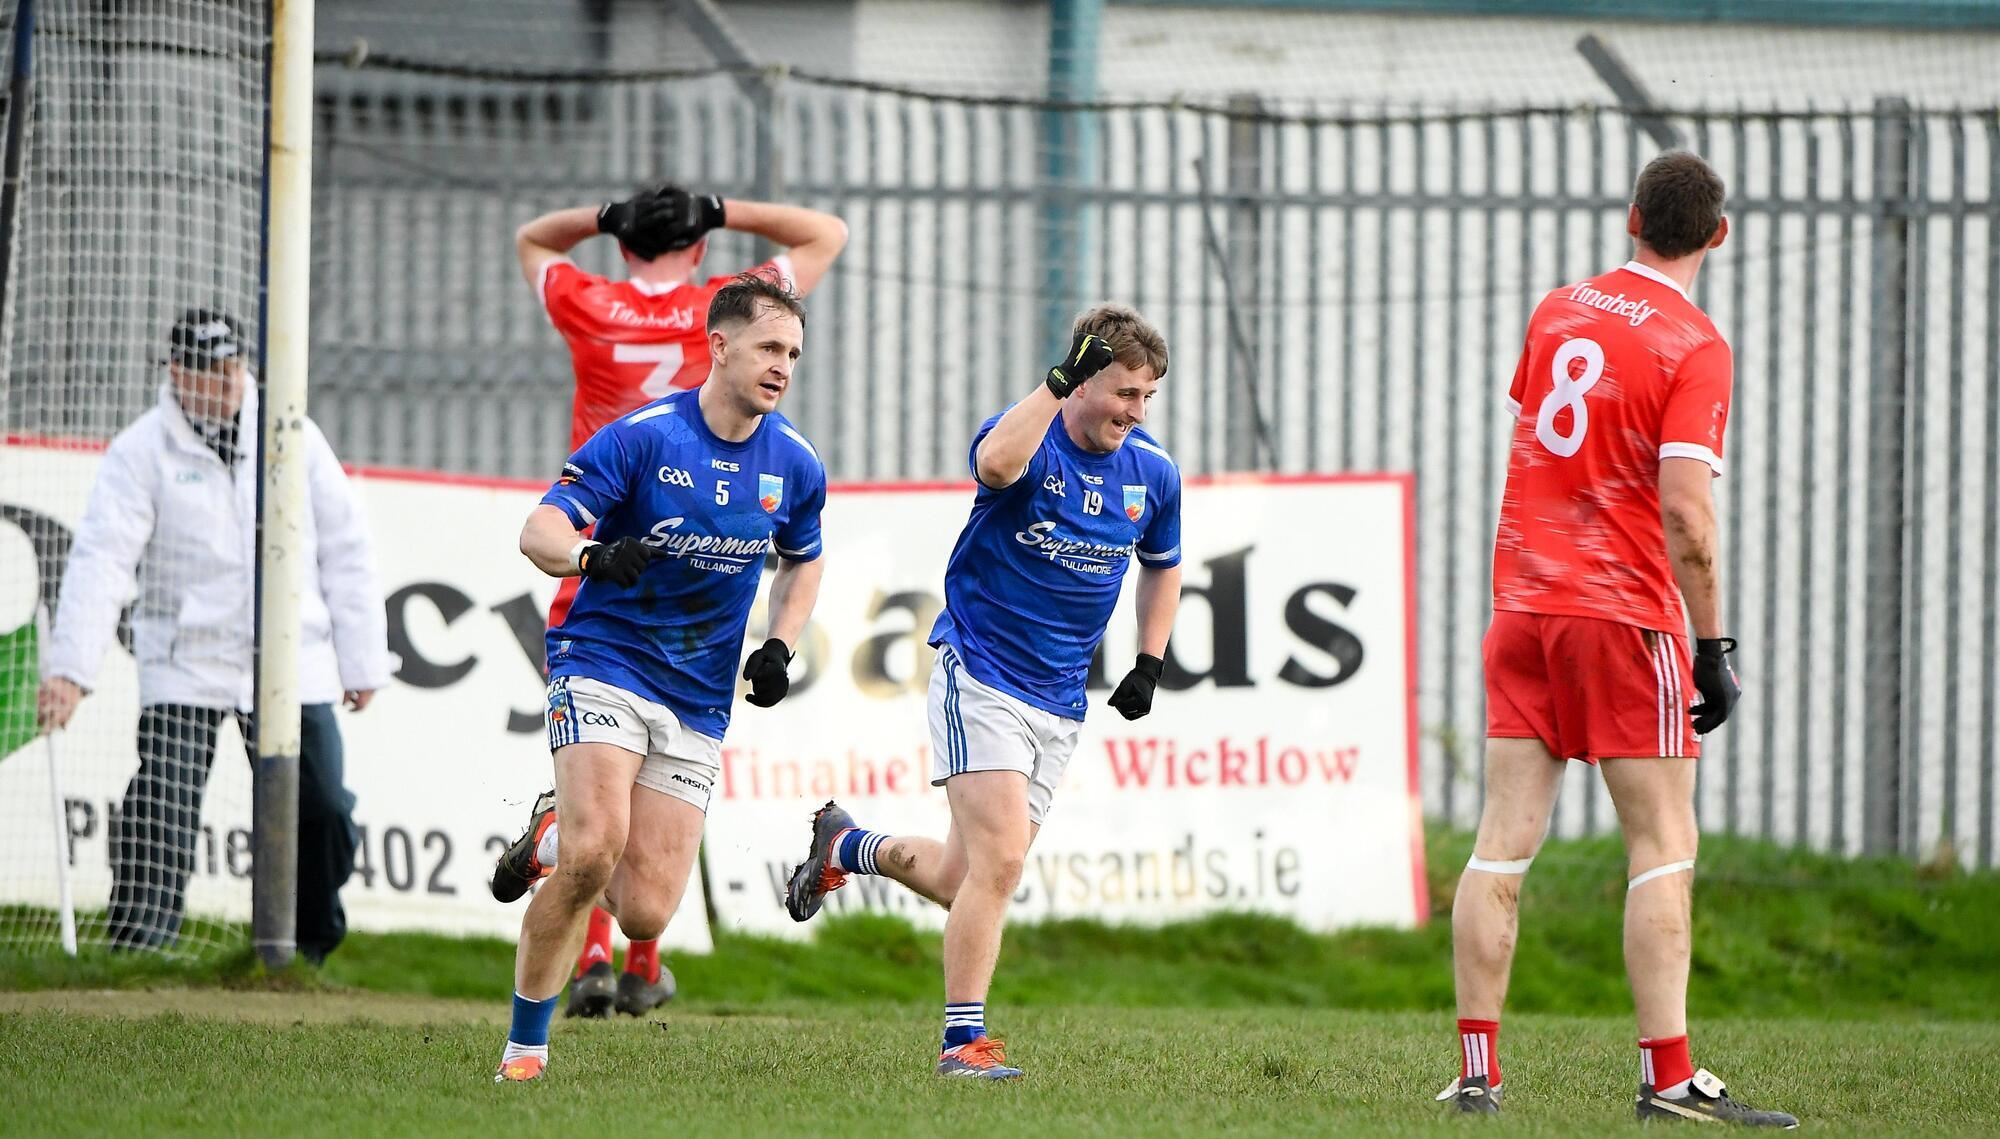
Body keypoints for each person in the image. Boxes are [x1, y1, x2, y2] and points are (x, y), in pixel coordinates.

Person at [1441, 152, 1795, 1127]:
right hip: (1621, 615)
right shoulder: (1695, 343)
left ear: (1631, 216)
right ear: (1716, 235)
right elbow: (1685, 510)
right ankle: (1668, 1079)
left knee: (1500, 842)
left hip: (1522, 606)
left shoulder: (1558, 309)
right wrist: (1711, 646)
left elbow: (1539, 440)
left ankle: (1476, 1075)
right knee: (1661, 842)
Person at [780, 304, 1183, 1080]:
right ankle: (962, 1044)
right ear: (1082, 380)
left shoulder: (1152, 472)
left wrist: (1149, 660)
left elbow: (1163, 565)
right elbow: (995, 466)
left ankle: (845, 846)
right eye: (1124, 392)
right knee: (1000, 864)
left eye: (1147, 397)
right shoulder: (1027, 435)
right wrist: (1053, 384)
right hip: (983, 673)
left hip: (1059, 701)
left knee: (961, 879)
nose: (1136, 411)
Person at [508, 184, 846, 1017]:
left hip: (684, 647)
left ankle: (575, 871)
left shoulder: (592, 301)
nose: (782, 362)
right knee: (598, 837)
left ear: (625, 244)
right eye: (771, 348)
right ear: (716, 344)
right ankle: (580, 956)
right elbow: (826, 232)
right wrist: (721, 207)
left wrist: (601, 217)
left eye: (792, 353)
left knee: (648, 902)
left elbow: (532, 242)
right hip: (608, 575)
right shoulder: (720, 304)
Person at [36, 309, 392, 962]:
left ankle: (304, 951)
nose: (227, 382)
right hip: (186, 661)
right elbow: (101, 561)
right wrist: (71, 671)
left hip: (290, 660)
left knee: (322, 808)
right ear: (176, 373)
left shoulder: (293, 434)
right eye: (209, 371)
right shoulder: (140, 451)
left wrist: (362, 660)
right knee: (162, 804)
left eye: (234, 367)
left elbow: (347, 548)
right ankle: (141, 948)